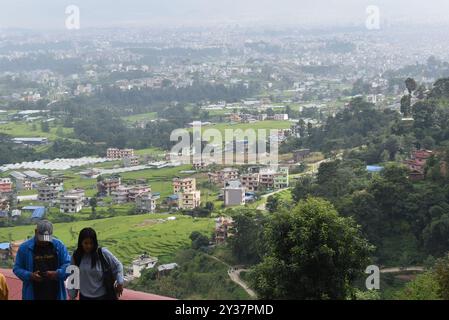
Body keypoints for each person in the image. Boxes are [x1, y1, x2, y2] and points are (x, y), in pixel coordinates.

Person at [13, 220, 71, 300]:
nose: (44, 242)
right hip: (32, 294)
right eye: (41, 239)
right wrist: (30, 275)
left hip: (55, 294)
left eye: (47, 240)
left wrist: (57, 273)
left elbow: (69, 266)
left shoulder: (59, 246)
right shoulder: (24, 248)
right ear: (36, 232)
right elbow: (17, 268)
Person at [69, 227, 124, 300]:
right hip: (84, 297)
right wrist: (72, 296)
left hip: (102, 297)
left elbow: (118, 266)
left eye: (91, 243)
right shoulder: (76, 256)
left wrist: (120, 282)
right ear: (81, 242)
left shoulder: (102, 253)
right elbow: (73, 278)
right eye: (86, 243)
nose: (89, 246)